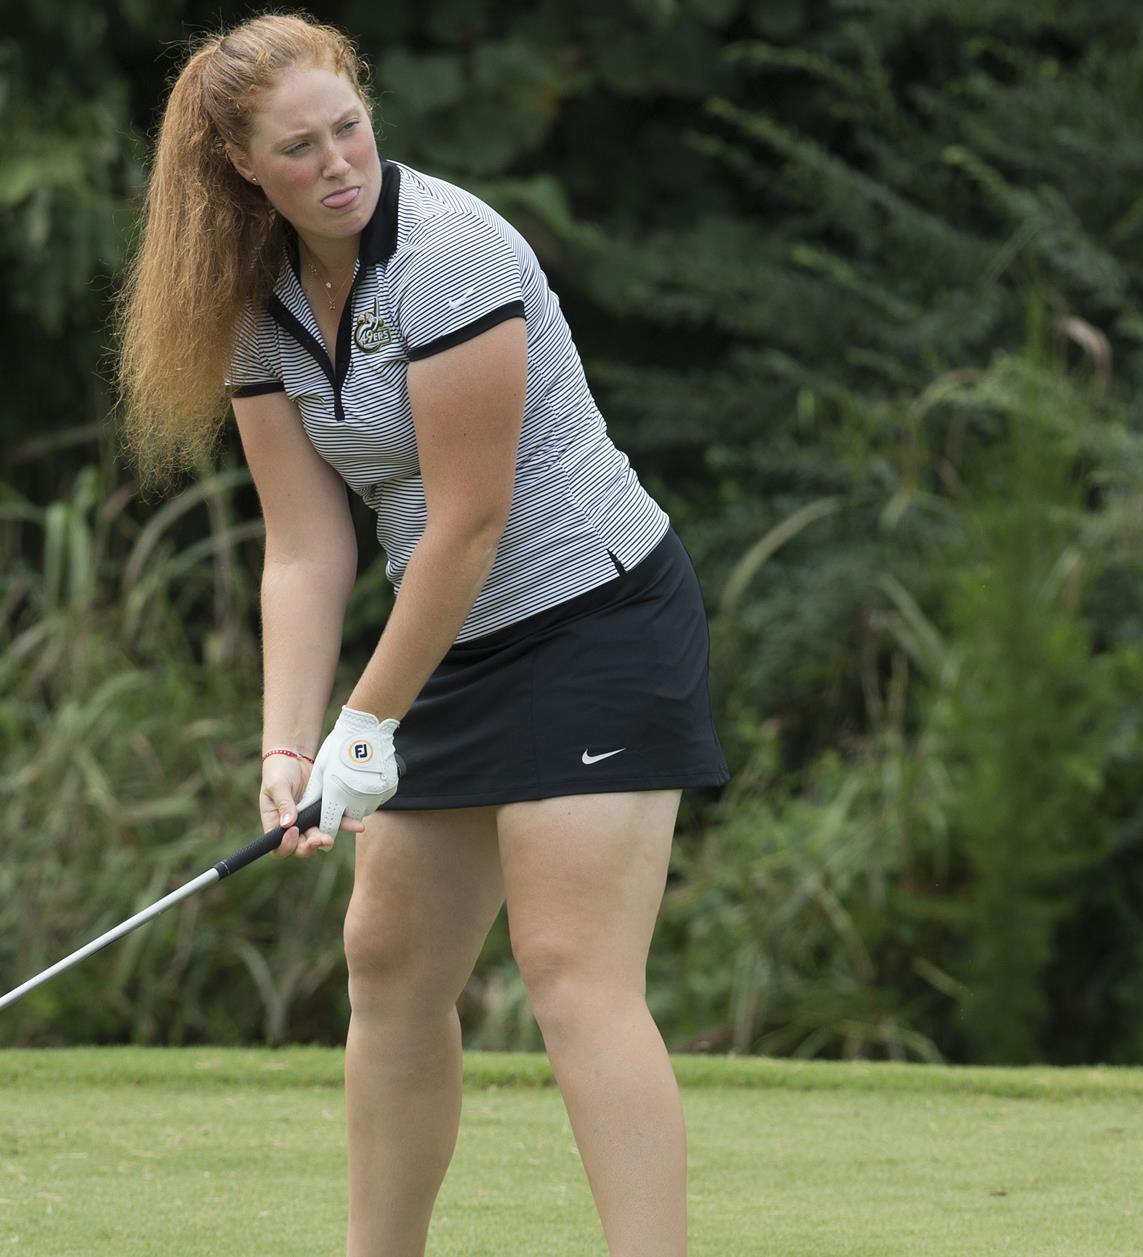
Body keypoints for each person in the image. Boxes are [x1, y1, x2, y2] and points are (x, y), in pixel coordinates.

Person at [113, 14, 728, 1256]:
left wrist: (364, 722)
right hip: (443, 640)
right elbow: (304, 544)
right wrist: (289, 745)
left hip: (592, 621)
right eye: (299, 148)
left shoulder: (448, 250)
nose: (339, 162)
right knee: (389, 965)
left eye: (349, 126)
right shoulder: (251, 308)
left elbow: (466, 521)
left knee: (568, 970)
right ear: (240, 165)